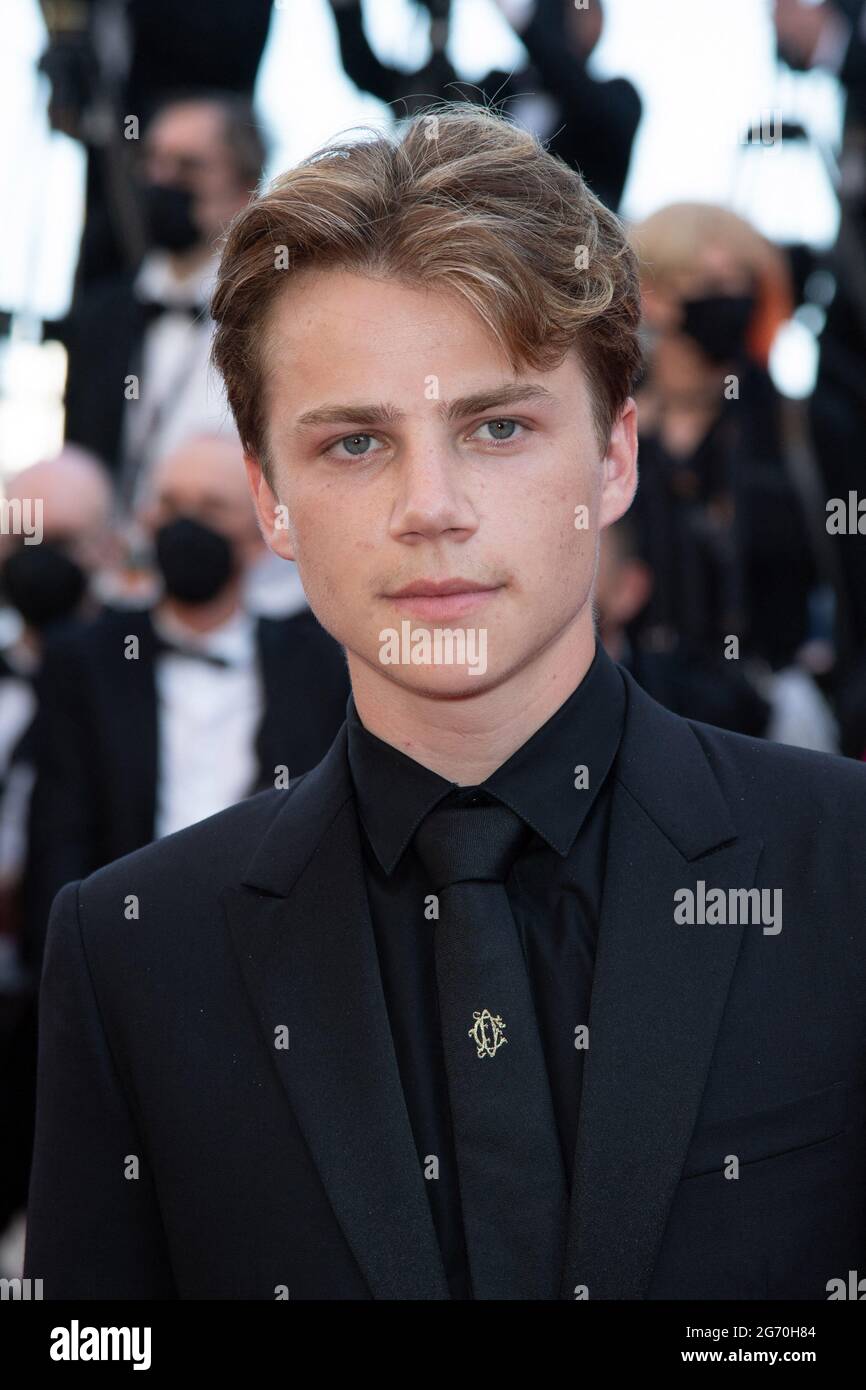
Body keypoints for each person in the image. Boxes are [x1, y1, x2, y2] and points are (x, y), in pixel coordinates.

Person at [24, 105, 866, 1301]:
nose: (432, 506)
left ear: (614, 455)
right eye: (356, 445)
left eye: (499, 425)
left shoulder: (842, 868)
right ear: (269, 497)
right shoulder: (132, 956)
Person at [22, 432, 349, 972]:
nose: (185, 525)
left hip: (276, 959)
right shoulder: (86, 659)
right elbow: (59, 834)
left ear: (259, 527)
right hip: (121, 959)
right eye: (170, 505)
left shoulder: (319, 661)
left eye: (211, 508)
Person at [58, 93, 267, 505]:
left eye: (189, 167)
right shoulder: (100, 316)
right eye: (154, 161)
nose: (162, 181)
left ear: (245, 190)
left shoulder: (267, 312)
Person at [328, 0, 641, 211]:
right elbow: (387, 85)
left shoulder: (618, 97)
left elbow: (567, 76)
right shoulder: (497, 89)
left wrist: (518, 15)